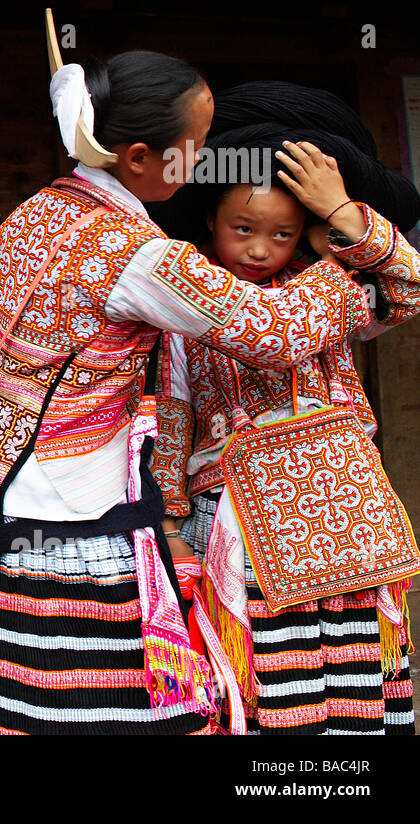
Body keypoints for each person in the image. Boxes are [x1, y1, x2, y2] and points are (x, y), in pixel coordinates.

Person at [0, 27, 377, 735]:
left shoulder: (33, 214)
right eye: (195, 146)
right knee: (109, 711)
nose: (205, 159)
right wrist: (347, 269)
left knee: (25, 700)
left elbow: (0, 355)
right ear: (140, 156)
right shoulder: (140, 256)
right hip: (78, 515)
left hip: (3, 494)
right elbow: (272, 331)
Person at [149, 82, 419, 734]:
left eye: (283, 234)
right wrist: (170, 523)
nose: (262, 250)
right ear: (209, 220)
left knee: (351, 678)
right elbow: (171, 416)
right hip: (236, 519)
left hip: (345, 525)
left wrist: (344, 211)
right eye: (244, 229)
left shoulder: (329, 292)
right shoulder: (187, 309)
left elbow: (408, 289)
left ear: (303, 234)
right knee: (269, 689)